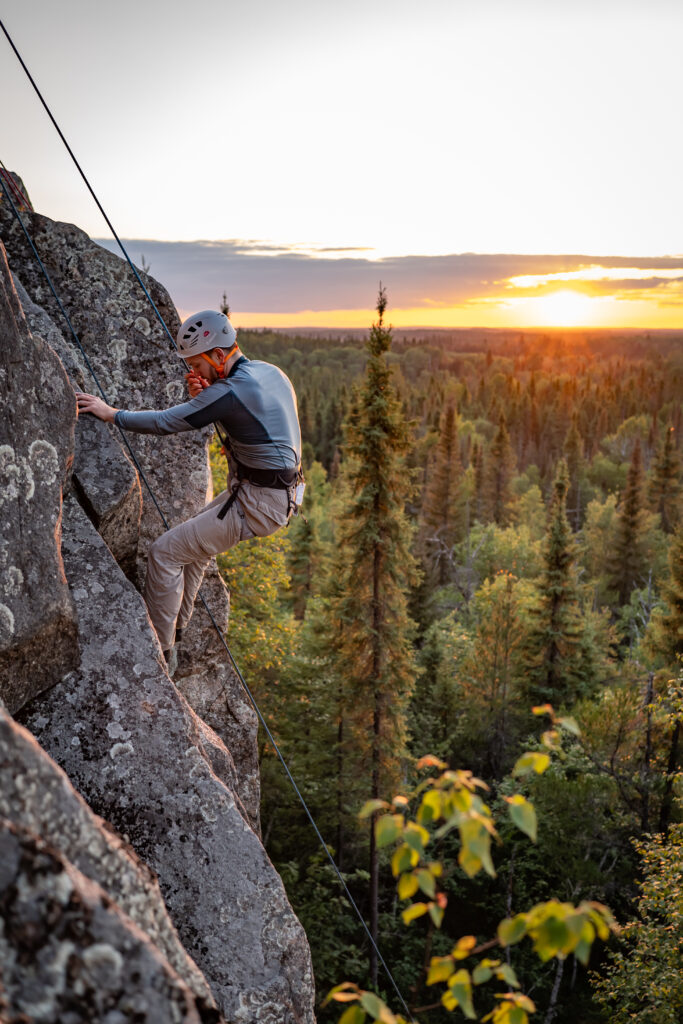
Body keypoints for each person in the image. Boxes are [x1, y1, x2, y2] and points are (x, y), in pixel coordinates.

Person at [76, 309, 302, 669]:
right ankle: (177, 630)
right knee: (194, 549)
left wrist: (111, 413)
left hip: (259, 502)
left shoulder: (233, 390)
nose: (195, 373)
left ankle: (159, 654)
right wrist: (212, 393)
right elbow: (256, 420)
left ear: (217, 355)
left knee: (164, 553)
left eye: (198, 364)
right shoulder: (267, 372)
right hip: (268, 494)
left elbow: (168, 422)